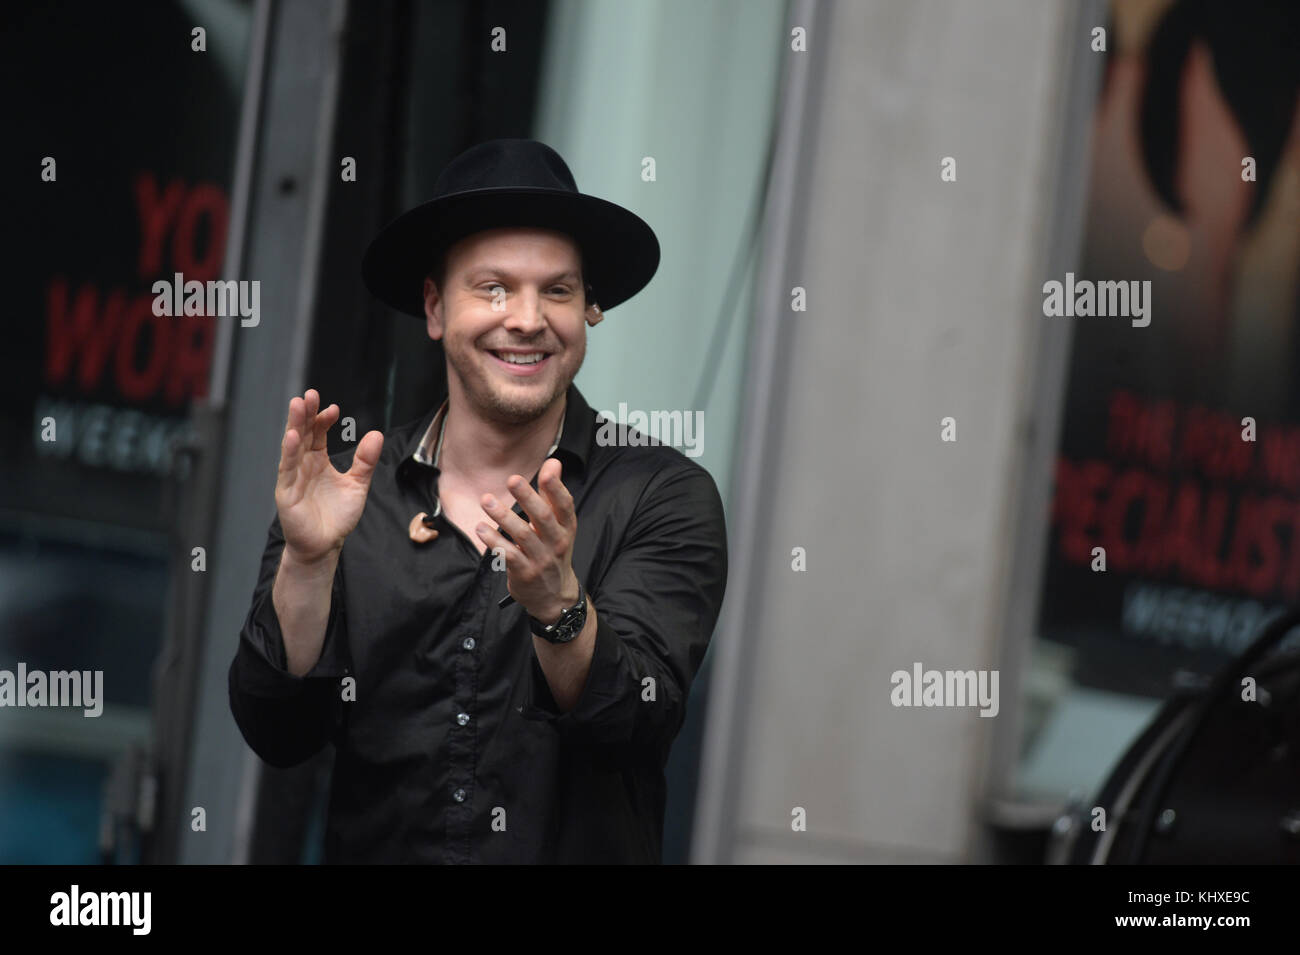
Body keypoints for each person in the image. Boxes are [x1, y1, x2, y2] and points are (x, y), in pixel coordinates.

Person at [227, 138, 729, 863]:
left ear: (589, 309)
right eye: (493, 287)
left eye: (557, 290)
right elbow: (278, 733)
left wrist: (560, 608)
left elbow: (639, 720)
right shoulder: (346, 491)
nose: (527, 318)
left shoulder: (659, 494)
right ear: (435, 307)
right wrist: (306, 561)